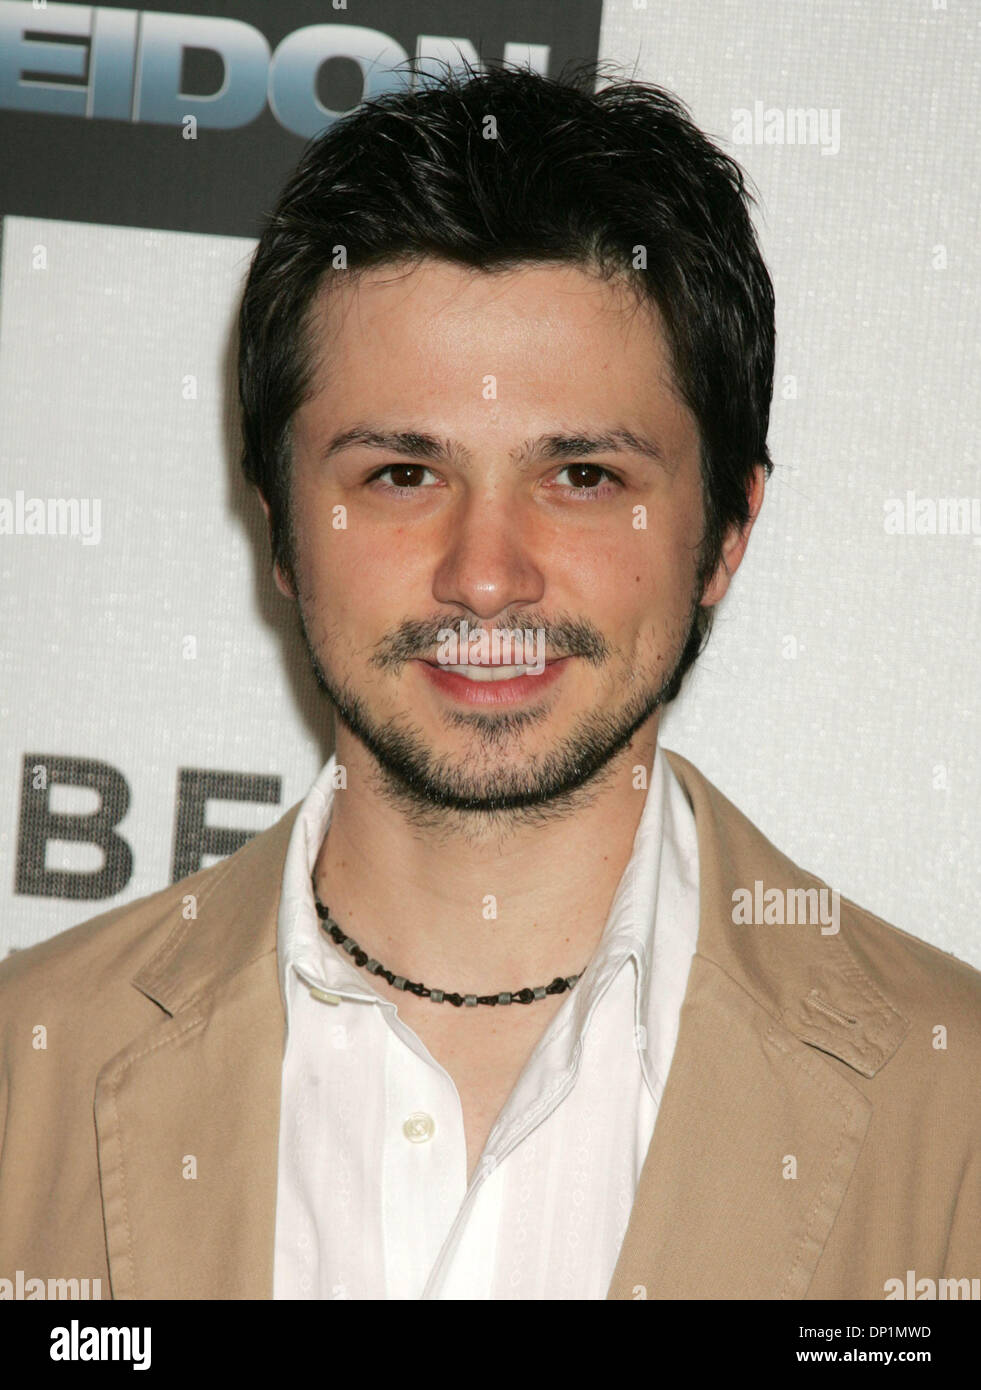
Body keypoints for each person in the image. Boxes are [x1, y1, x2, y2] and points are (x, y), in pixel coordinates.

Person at [1, 61, 978, 1302]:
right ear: (283, 528)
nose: (485, 576)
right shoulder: (25, 1075)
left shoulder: (955, 1114)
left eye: (582, 476)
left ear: (727, 530)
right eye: (402, 473)